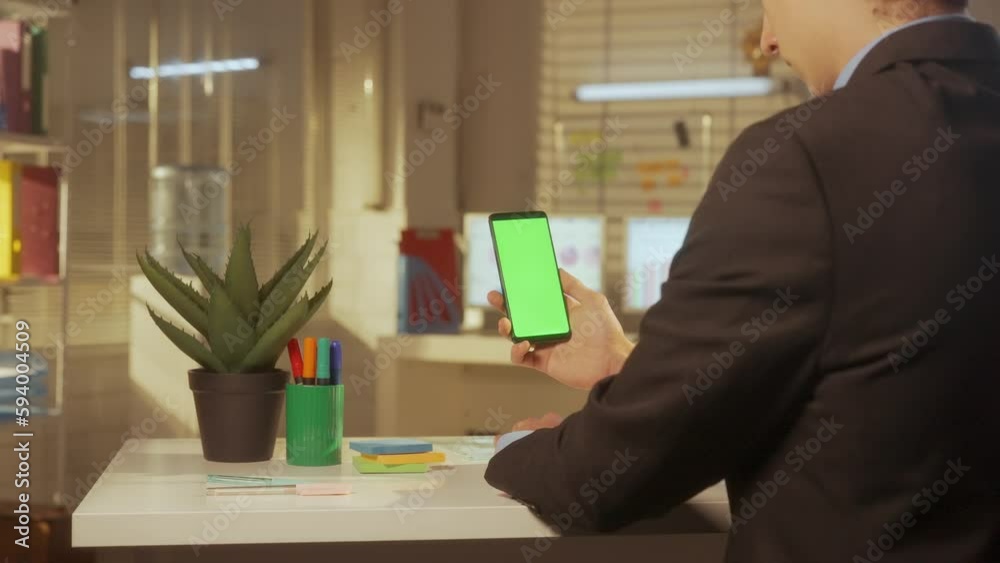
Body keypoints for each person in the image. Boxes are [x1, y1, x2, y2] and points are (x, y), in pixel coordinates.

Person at [484, 1, 1000, 561]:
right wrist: (631, 368)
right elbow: (887, 385)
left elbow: (610, 476)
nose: (769, 40)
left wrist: (517, 447)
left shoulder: (806, 154)